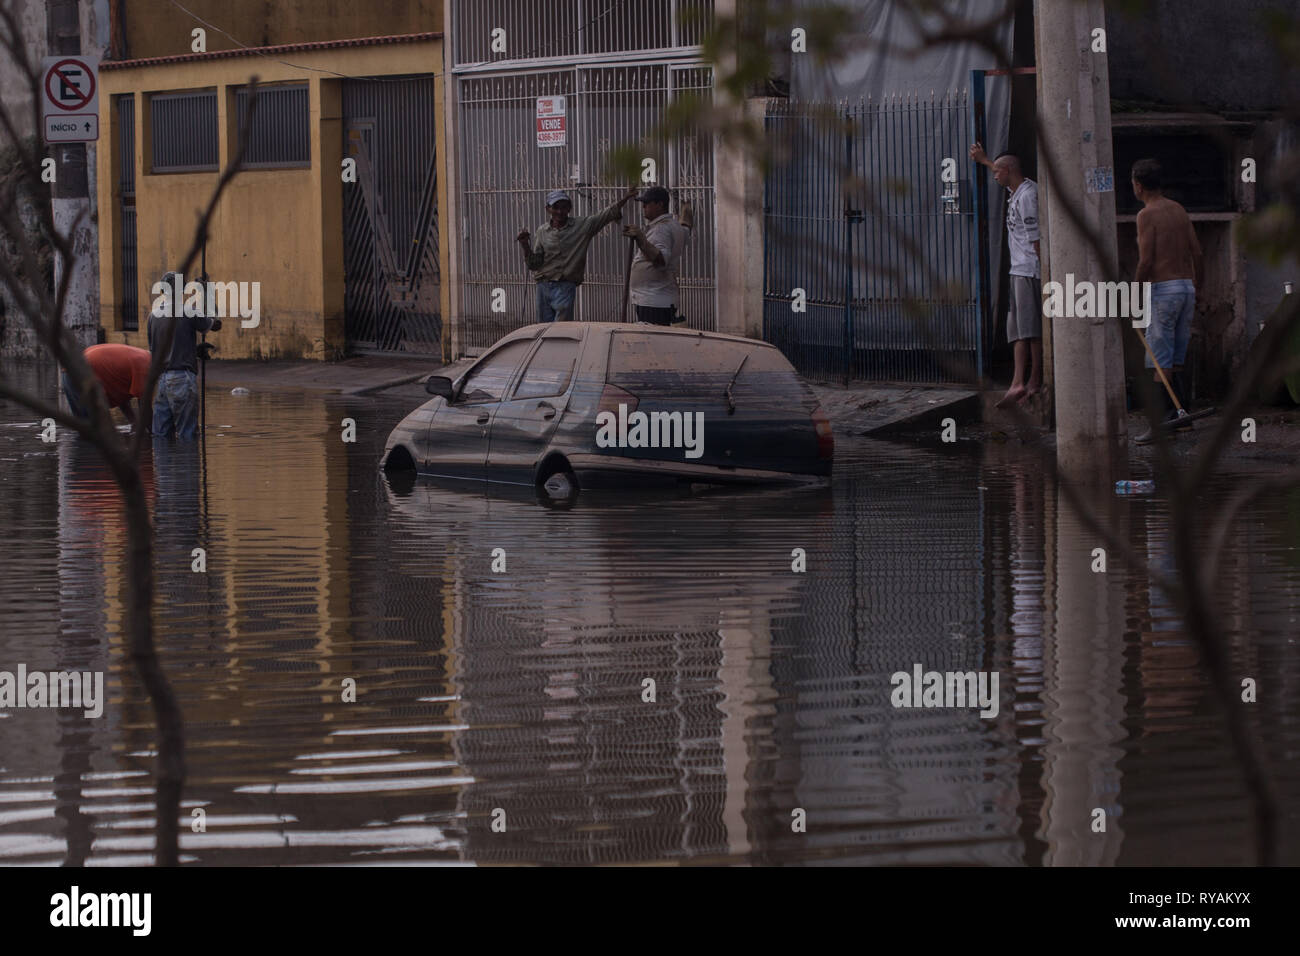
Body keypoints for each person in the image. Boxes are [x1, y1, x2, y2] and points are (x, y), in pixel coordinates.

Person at [1131, 157, 1203, 444]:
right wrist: (1200, 287)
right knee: (1175, 356)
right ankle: (1180, 416)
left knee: (1159, 360)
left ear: (1138, 185)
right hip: (1186, 287)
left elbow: (1146, 261)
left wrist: (1134, 292)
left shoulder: (1146, 215)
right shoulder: (1178, 209)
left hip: (1164, 289)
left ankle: (1163, 421)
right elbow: (1198, 253)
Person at [970, 143, 1042, 408]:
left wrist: (1044, 272)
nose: (995, 176)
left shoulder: (1027, 197)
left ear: (1008, 170)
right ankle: (1017, 381)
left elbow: (1036, 241)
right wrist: (986, 160)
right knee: (1018, 330)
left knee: (1031, 330)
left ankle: (1031, 380)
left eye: (997, 172)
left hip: (1028, 270)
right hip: (1018, 269)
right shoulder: (1017, 190)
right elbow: (1002, 169)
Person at [517, 186, 638, 322]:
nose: (559, 211)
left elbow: (605, 214)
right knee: (543, 329)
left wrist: (626, 198)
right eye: (555, 207)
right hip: (543, 286)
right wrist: (525, 246)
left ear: (569, 208)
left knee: (562, 330)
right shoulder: (542, 231)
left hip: (565, 286)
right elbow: (535, 264)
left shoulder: (581, 226)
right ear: (548, 209)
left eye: (564, 207)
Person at [147, 270, 221, 440]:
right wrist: (207, 294)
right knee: (188, 436)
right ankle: (186, 464)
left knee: (161, 437)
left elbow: (157, 351)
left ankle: (164, 466)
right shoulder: (188, 311)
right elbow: (216, 324)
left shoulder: (153, 316)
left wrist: (193, 350)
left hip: (162, 383)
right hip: (182, 379)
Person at [623, 186, 694, 325]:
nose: (643, 207)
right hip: (660, 298)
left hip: (653, 301)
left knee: (650, 342)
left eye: (647, 203)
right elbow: (686, 230)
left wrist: (640, 239)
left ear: (660, 204)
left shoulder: (661, 229)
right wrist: (686, 218)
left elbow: (661, 261)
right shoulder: (673, 225)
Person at [62, 343, 153, 434]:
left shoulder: (141, 356)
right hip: (79, 376)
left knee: (87, 430)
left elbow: (122, 400)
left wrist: (134, 422)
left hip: (72, 372)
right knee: (90, 431)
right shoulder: (145, 365)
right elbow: (145, 407)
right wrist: (153, 433)